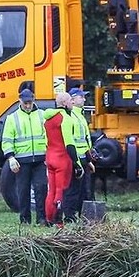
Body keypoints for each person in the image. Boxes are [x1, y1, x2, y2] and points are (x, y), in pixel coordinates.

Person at [1, 88, 48, 224]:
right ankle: (25, 219)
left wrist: (49, 153)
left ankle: (41, 218)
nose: (27, 106)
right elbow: (7, 140)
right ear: (19, 101)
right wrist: (10, 157)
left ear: (34, 100)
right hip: (21, 161)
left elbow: (48, 136)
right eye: (25, 103)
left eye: (30, 103)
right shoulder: (12, 118)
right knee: (23, 190)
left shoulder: (42, 115)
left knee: (41, 188)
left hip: (40, 159)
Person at [43, 91, 80, 227]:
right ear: (64, 103)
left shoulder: (47, 118)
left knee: (51, 191)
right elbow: (69, 143)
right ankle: (59, 221)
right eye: (70, 100)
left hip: (50, 157)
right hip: (62, 159)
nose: (72, 102)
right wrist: (76, 163)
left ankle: (49, 218)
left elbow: (46, 140)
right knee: (61, 190)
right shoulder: (65, 118)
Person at [61, 87, 94, 222]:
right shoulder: (70, 117)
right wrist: (75, 161)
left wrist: (88, 159)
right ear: (73, 100)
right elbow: (70, 141)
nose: (84, 99)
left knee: (83, 190)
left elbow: (84, 140)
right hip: (75, 159)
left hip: (83, 158)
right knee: (72, 189)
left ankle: (81, 215)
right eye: (81, 97)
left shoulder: (80, 116)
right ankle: (69, 216)